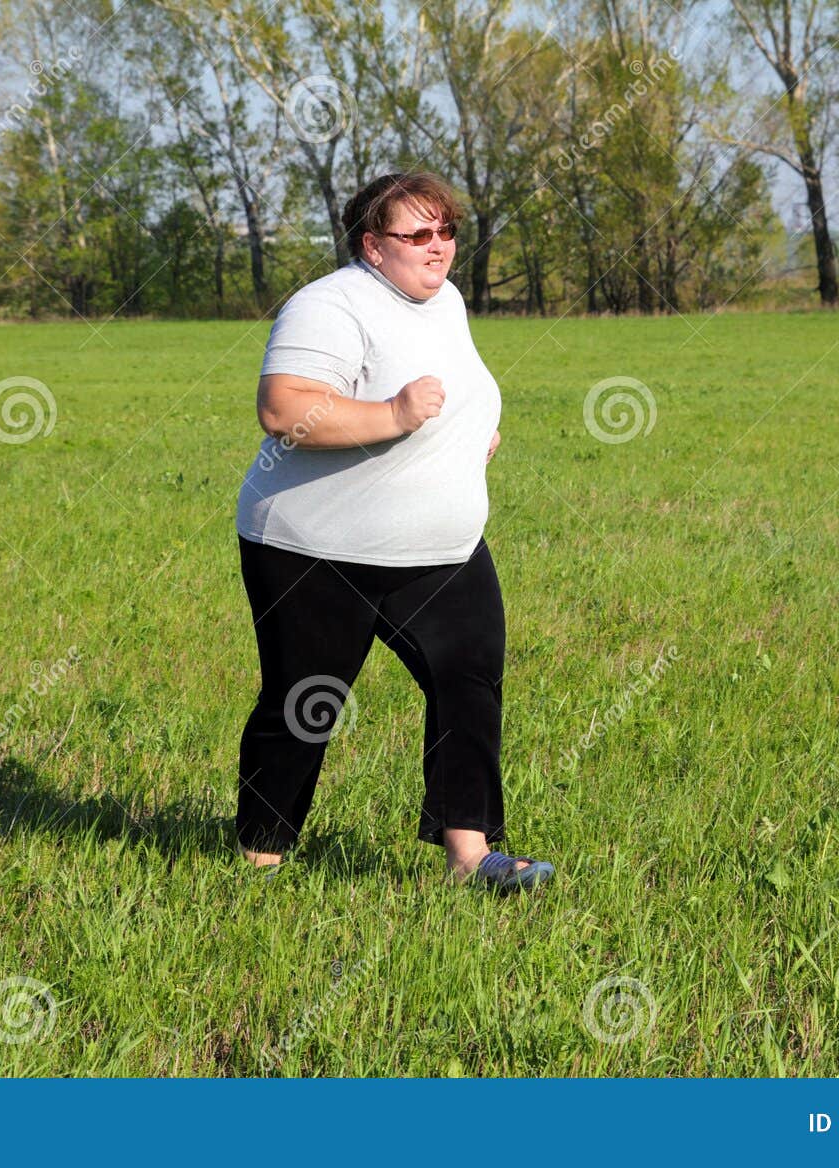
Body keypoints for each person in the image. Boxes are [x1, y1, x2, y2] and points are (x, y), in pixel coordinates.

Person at [232, 171, 553, 892]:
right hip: (314, 550)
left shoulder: (445, 302)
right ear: (373, 247)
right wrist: (394, 416)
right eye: (418, 235)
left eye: (447, 232)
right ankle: (261, 859)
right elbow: (285, 410)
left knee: (468, 682)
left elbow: (450, 386)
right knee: (304, 701)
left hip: (440, 551)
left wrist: (472, 436)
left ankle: (471, 856)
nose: (438, 248)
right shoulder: (327, 306)